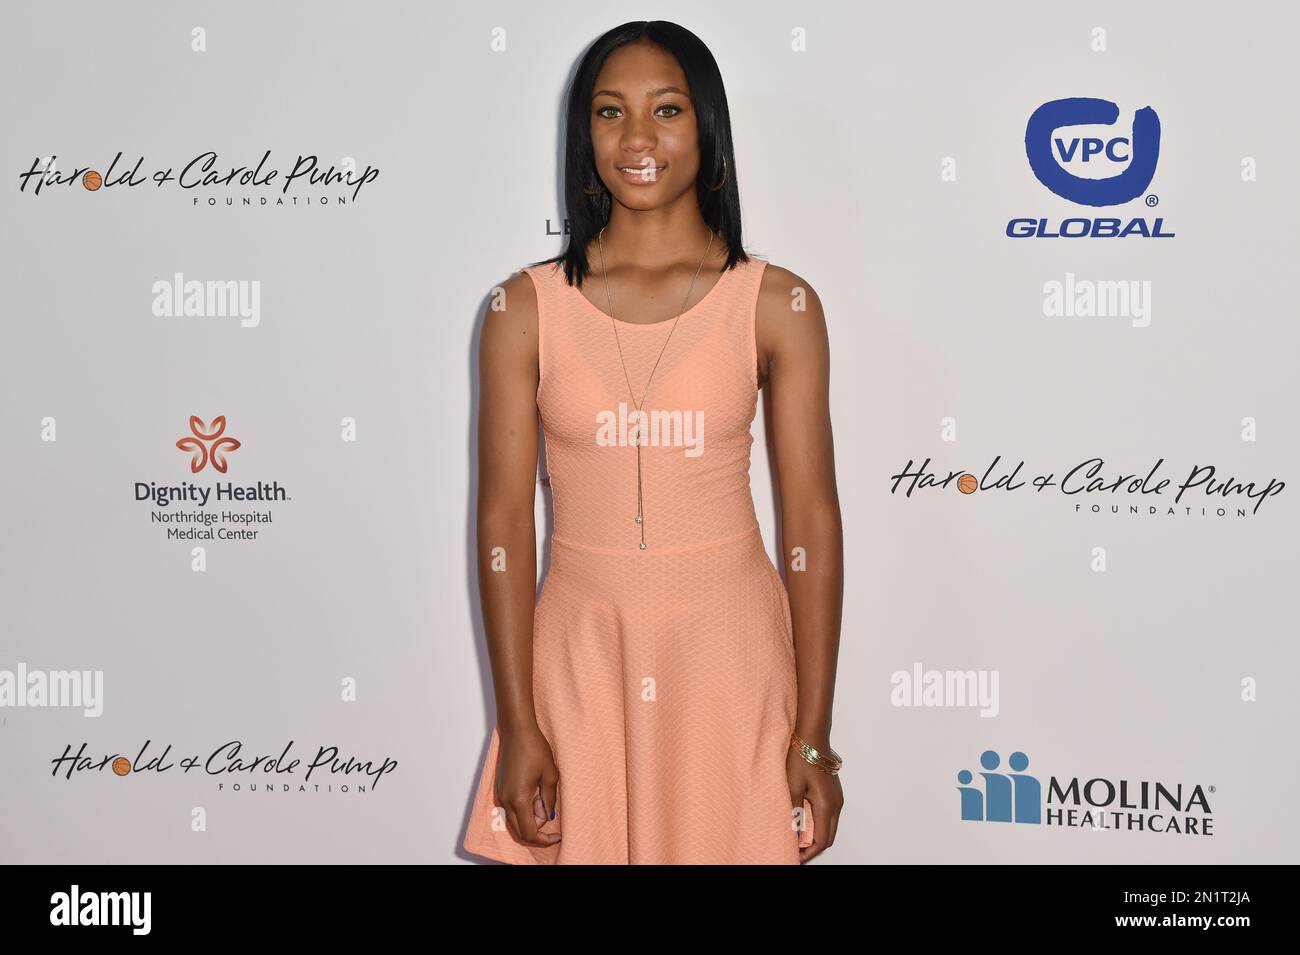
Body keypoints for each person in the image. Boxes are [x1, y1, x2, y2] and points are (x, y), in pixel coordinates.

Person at [463, 20, 844, 864]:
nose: (636, 138)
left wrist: (812, 735)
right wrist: (517, 722)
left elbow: (811, 523)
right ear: (583, 132)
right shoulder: (519, 311)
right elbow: (501, 526)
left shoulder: (777, 304)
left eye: (666, 109)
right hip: (582, 660)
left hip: (730, 659)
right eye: (609, 112)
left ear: (707, 126)